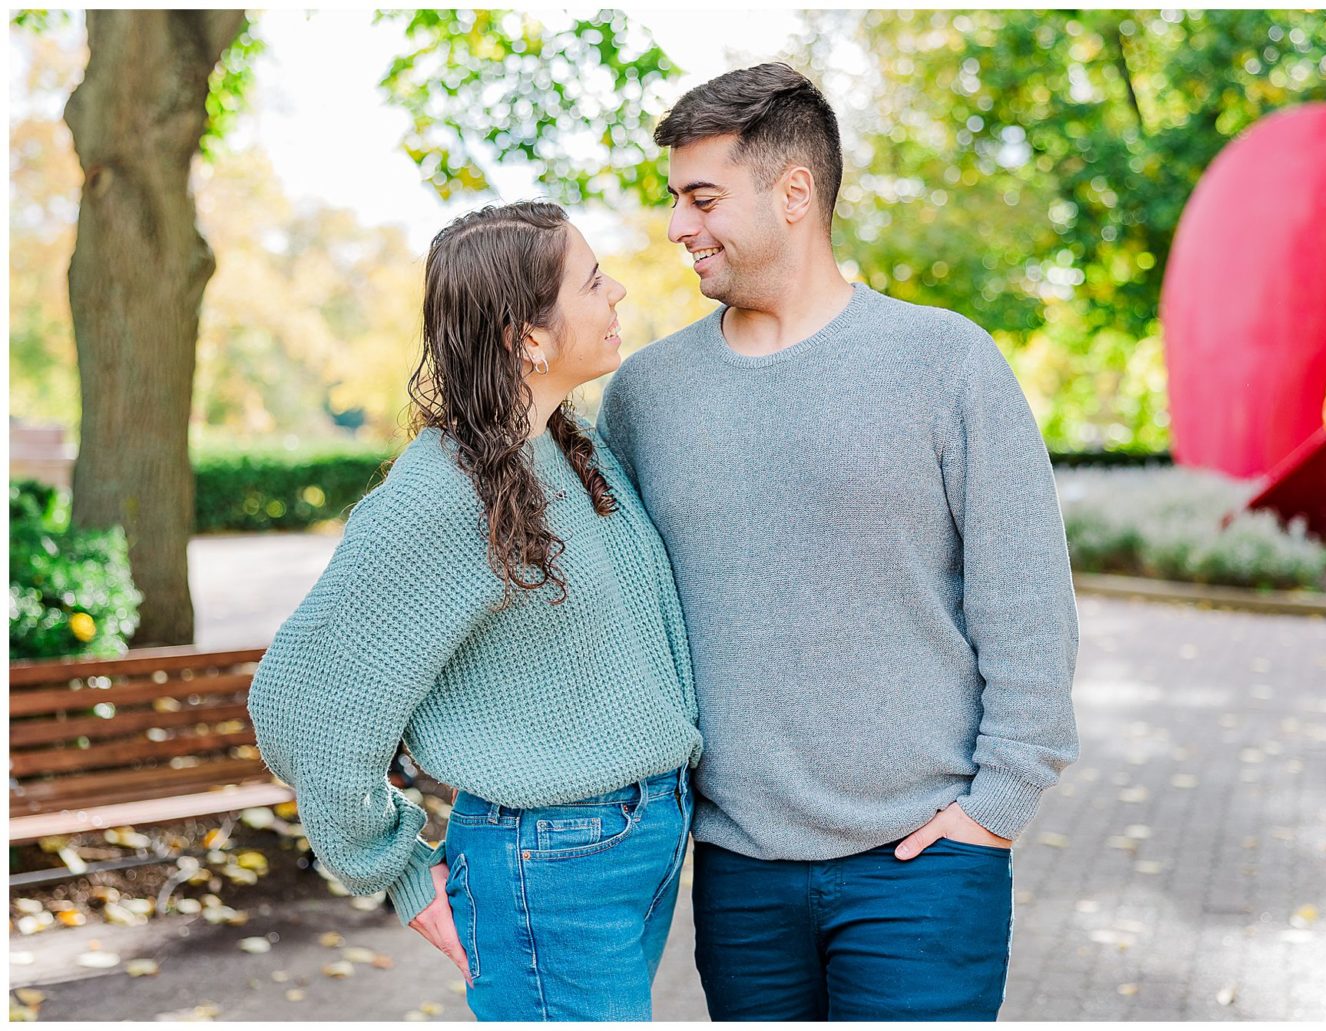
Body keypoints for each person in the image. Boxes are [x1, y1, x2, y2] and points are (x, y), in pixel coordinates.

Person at [597, 63, 1080, 1020]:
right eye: (675, 199)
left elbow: (1026, 601)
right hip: (737, 870)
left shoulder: (945, 361)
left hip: (926, 864)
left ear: (793, 193)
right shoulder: (646, 395)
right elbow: (609, 613)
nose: (677, 226)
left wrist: (996, 807)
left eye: (702, 198)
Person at [247, 201, 703, 1022]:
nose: (618, 292)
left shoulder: (573, 447)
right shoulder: (442, 491)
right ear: (526, 338)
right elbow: (300, 705)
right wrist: (398, 866)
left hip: (635, 843)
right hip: (549, 865)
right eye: (593, 281)